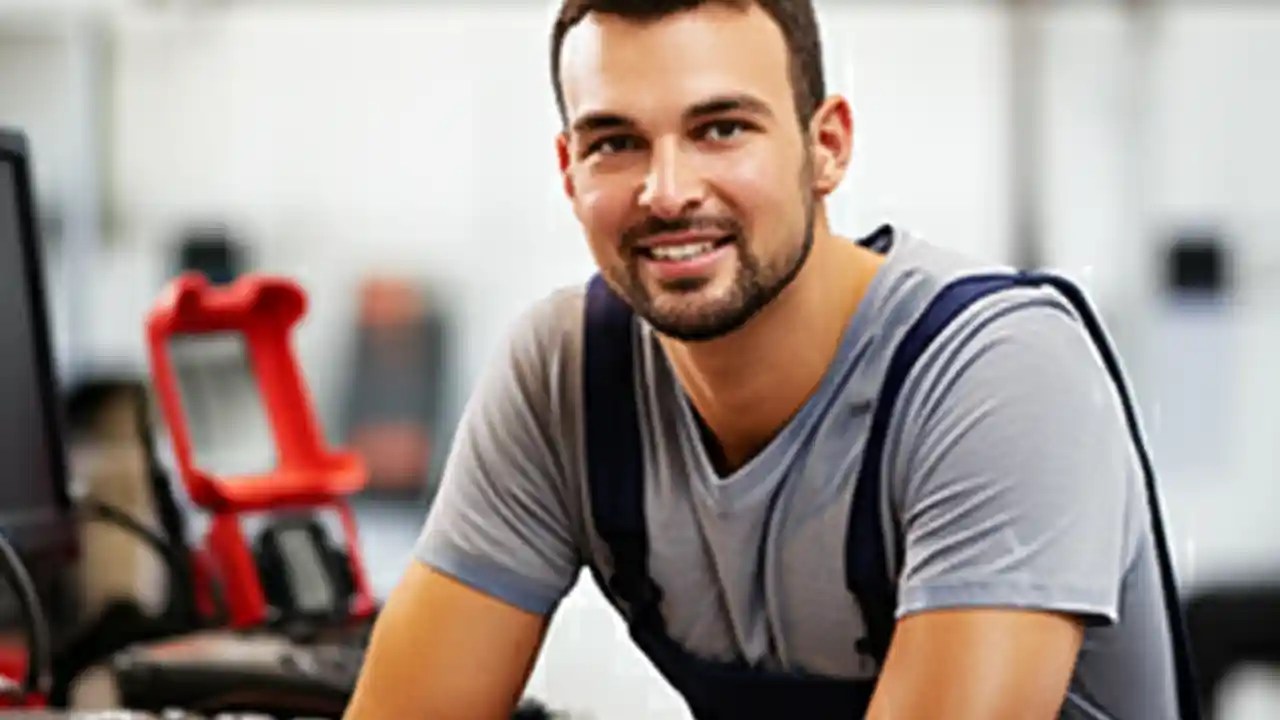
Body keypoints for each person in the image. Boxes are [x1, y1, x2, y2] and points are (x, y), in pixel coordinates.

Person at [343, 1, 1196, 718]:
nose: (668, 192)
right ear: (569, 171)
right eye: (615, 142)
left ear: (827, 146)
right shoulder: (564, 374)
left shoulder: (995, 372)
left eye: (720, 129)